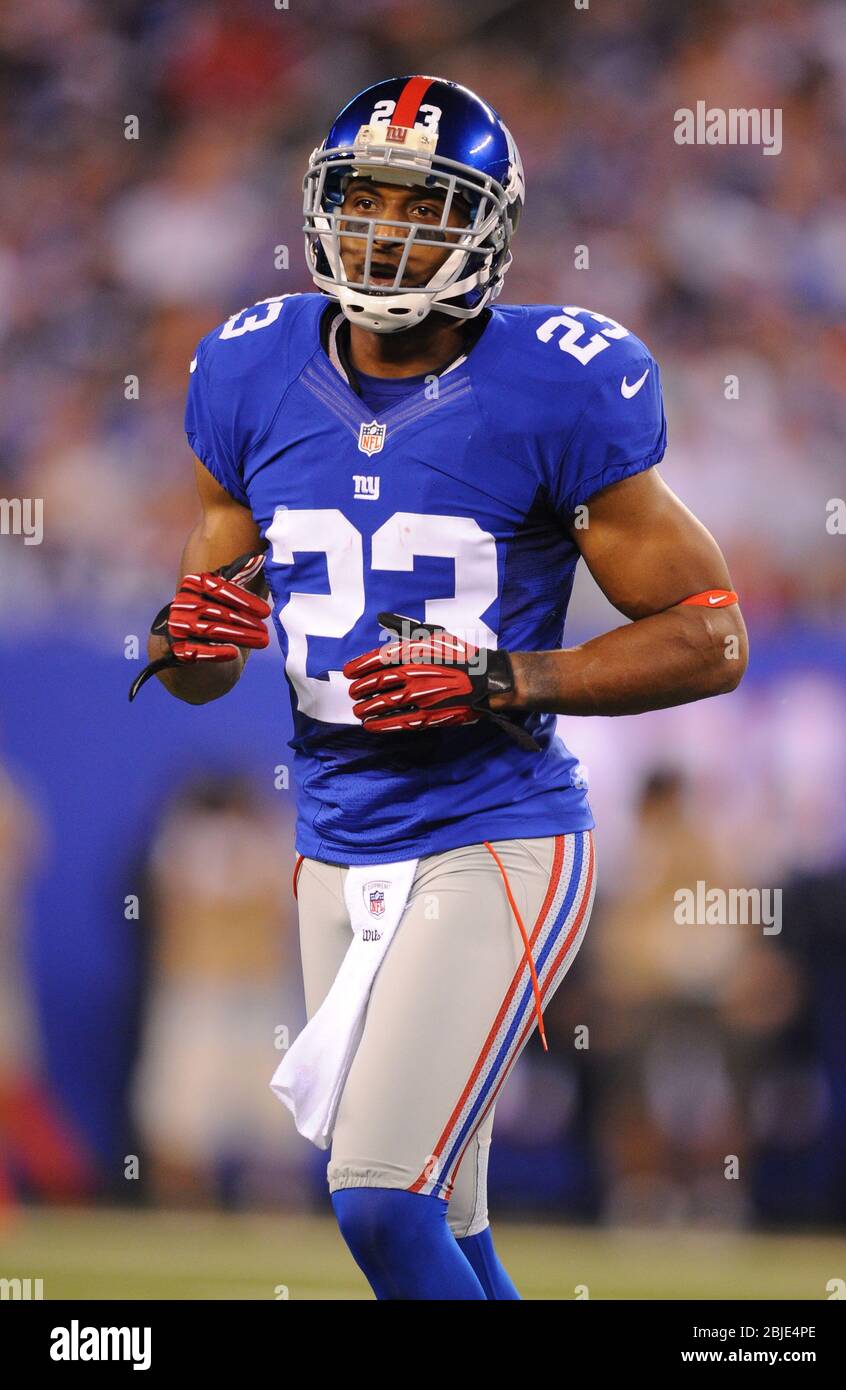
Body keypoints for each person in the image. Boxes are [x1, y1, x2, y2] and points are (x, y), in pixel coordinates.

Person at [130, 75, 747, 1299]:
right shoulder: (246, 368)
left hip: (496, 831)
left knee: (378, 1197)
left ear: (487, 230)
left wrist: (512, 676)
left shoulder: (558, 382)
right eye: (361, 204)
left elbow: (709, 634)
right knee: (446, 1216)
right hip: (332, 836)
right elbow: (203, 670)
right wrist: (187, 634)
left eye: (422, 209)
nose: (382, 235)